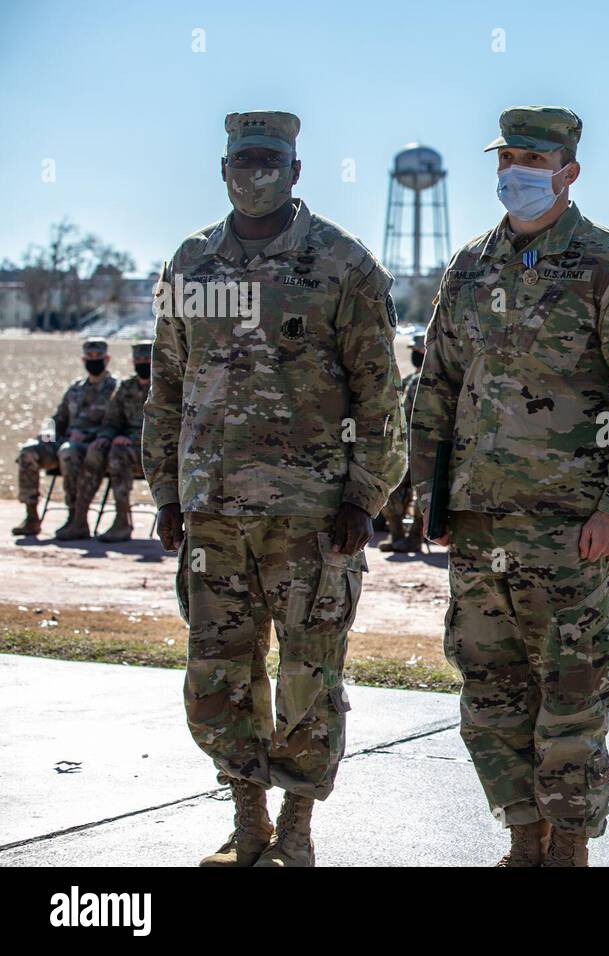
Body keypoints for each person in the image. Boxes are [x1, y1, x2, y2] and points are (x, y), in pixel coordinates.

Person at [409, 106, 609, 866]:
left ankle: (569, 852)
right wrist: (430, 499)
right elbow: (438, 384)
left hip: (570, 528)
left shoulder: (608, 264)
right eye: (507, 157)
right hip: (479, 524)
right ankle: (524, 842)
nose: (515, 171)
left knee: (572, 699)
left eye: (532, 158)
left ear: (569, 171)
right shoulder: (469, 267)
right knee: (489, 699)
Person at [144, 110, 405, 868]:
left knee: (308, 675)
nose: (254, 172)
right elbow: (166, 384)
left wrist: (364, 496)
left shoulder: (339, 263)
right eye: (243, 159)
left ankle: (297, 824)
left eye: (270, 159)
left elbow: (379, 394)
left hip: (312, 517)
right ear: (223, 168)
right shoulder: (190, 264)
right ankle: (247, 820)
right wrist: (166, 492)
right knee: (218, 676)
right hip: (212, 515)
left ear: (296, 170)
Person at [12, 338, 115, 538]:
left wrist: (87, 436)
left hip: (89, 447)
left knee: (69, 451)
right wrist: (47, 432)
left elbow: (115, 423)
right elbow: (58, 418)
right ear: (83, 359)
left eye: (98, 357)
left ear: (107, 358)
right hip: (64, 441)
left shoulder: (115, 389)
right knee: (28, 452)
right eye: (89, 357)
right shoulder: (76, 388)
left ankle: (75, 517)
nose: (93, 361)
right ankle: (31, 516)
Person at [67, 340, 153, 542]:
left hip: (153, 448)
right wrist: (105, 437)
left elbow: (167, 426)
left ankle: (122, 521)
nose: (142, 363)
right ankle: (80, 520)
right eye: (138, 360)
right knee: (96, 451)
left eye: (147, 359)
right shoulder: (126, 387)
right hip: (124, 445)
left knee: (118, 454)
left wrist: (131, 438)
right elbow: (112, 420)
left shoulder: (167, 387)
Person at [379, 333, 426, 553]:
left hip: (426, 447)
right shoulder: (410, 381)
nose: (415, 356)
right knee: (394, 488)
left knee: (422, 493)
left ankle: (414, 537)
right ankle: (397, 535)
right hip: (407, 445)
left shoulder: (426, 381)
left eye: (418, 352)